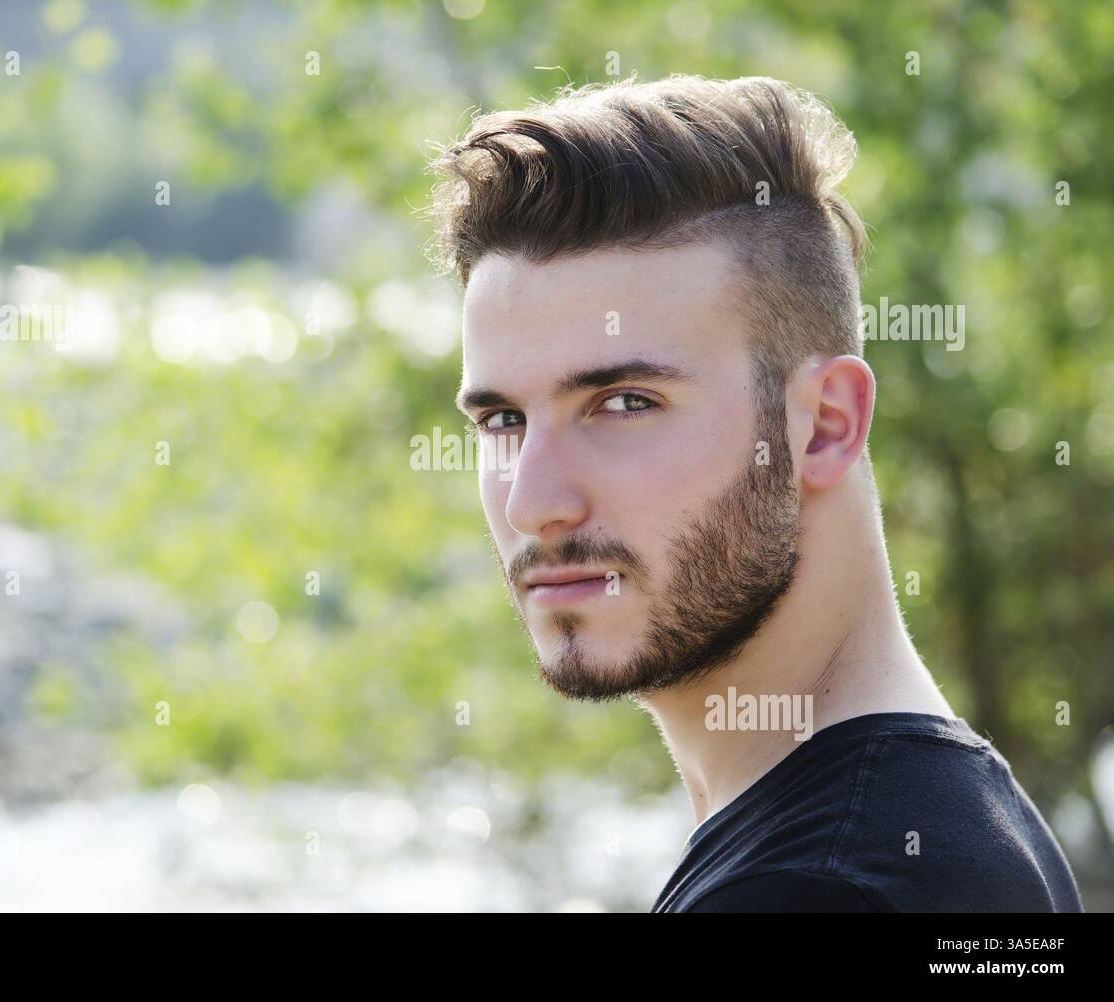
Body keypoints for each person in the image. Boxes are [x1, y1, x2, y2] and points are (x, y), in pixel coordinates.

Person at [424, 73, 1083, 912]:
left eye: (626, 404)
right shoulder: (955, 834)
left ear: (825, 424)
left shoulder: (827, 887)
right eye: (503, 421)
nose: (533, 504)